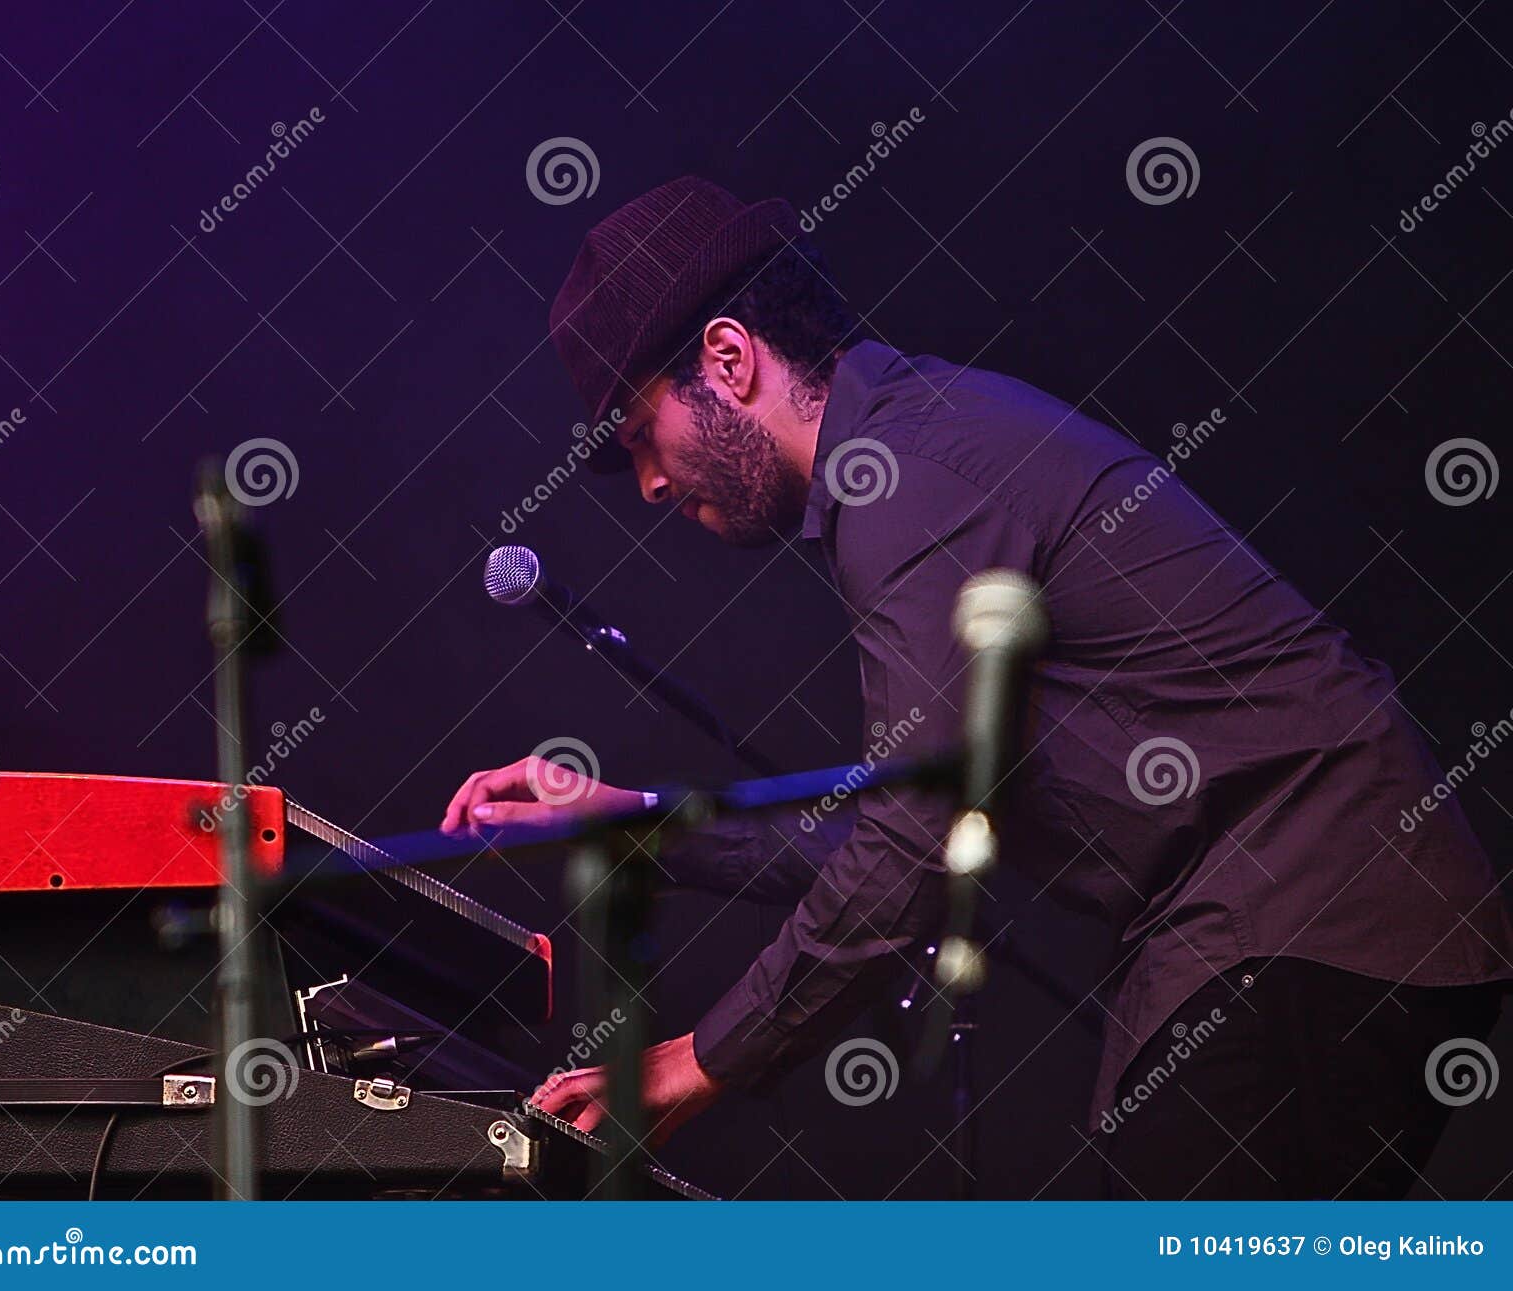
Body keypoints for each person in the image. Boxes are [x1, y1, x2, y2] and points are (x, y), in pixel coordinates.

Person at [441, 176, 1512, 1197]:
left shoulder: (911, 478)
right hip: (1313, 929)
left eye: (640, 435)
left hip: (1305, 919)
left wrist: (695, 1061)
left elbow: (907, 845)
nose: (651, 481)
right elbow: (897, 833)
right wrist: (629, 822)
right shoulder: (906, 455)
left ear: (726, 360)